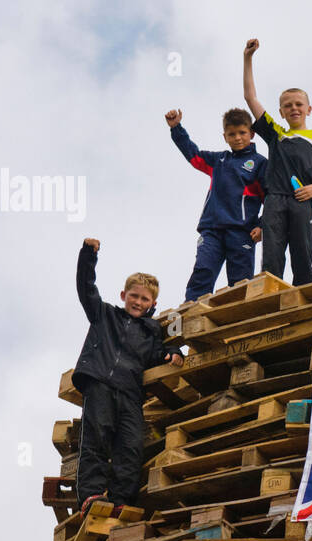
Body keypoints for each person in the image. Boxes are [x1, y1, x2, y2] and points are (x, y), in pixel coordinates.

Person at [72, 238, 184, 516]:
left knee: (131, 446)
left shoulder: (150, 331)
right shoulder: (104, 314)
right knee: (96, 439)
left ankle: (122, 499)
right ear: (123, 295)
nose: (138, 301)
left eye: (144, 299)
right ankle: (92, 495)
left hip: (130, 394)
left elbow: (157, 354)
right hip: (99, 383)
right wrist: (89, 255)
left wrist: (171, 352)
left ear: (152, 304)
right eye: (134, 296)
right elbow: (86, 288)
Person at [241, 38, 312, 285]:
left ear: (309, 109)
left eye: (299, 104)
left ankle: (303, 305)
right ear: (281, 112)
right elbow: (250, 98)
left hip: (304, 200)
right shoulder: (276, 133)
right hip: (275, 200)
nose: (293, 108)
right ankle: (270, 304)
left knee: (302, 257)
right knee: (271, 260)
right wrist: (248, 58)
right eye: (287, 106)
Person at [166, 107, 267, 303]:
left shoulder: (260, 163)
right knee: (203, 270)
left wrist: (262, 225)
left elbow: (270, 198)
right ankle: (191, 311)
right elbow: (193, 155)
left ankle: (239, 319)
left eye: (242, 133)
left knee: (241, 281)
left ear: (251, 133)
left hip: (242, 232)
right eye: (232, 134)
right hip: (212, 229)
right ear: (225, 137)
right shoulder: (218, 160)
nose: (237, 138)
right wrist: (176, 128)